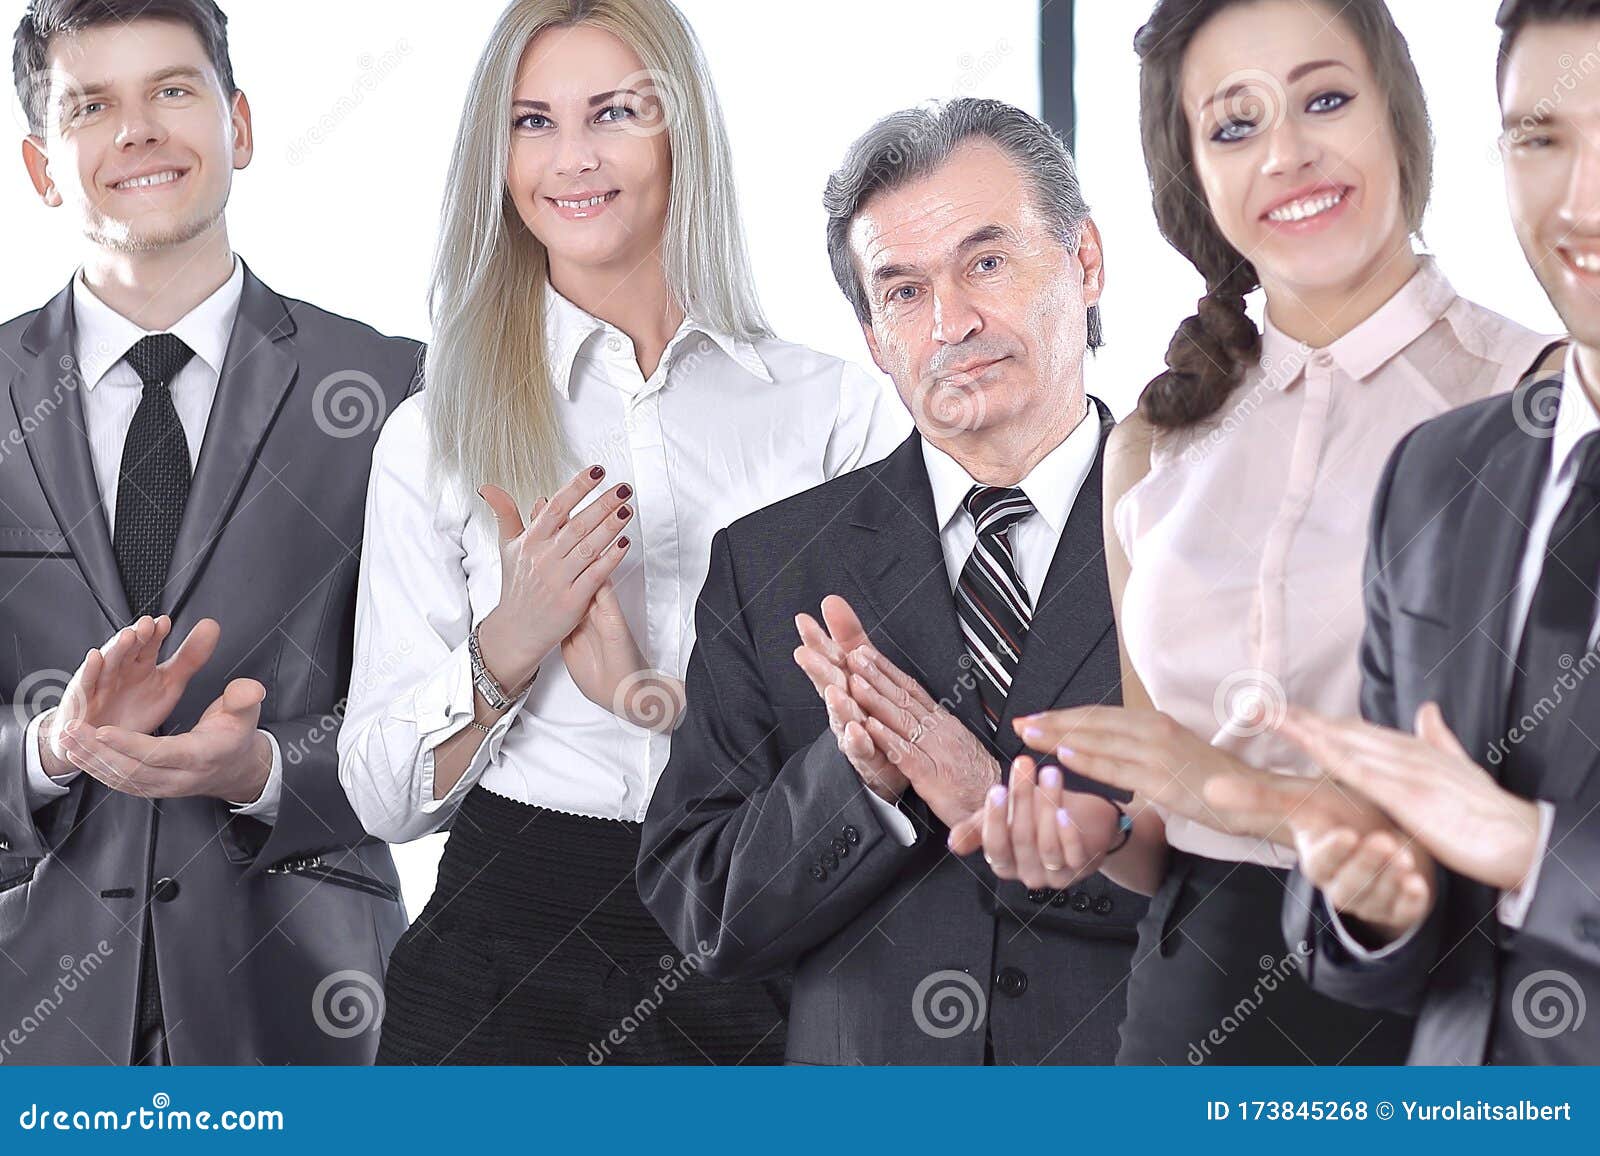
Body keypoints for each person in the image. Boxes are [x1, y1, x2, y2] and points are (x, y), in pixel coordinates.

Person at [955, 0, 1552, 1064]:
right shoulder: (1150, 444)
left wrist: (1247, 796)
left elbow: (1553, 812)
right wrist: (1085, 835)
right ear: (1192, 171)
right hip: (1188, 1011)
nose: (1286, 152)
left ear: (1397, 116)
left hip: (1451, 1006)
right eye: (1233, 126)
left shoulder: (1536, 399)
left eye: (1325, 98)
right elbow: (1163, 812)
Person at [336, 0, 908, 1065]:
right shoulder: (435, 432)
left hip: (759, 923)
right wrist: (510, 642)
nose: (572, 158)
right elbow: (378, 795)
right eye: (532, 122)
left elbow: (887, 727)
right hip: (504, 941)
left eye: (611, 112)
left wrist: (653, 699)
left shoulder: (835, 411)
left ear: (681, 128)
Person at [639, 97, 1147, 1065]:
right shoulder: (770, 566)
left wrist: (991, 802)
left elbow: (1278, 894)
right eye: (903, 292)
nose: (951, 321)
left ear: (1084, 262)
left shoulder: (1211, 529)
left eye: (985, 263)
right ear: (873, 336)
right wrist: (857, 785)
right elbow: (701, 911)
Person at [0, 0, 418, 1064]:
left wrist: (266, 766)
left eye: (172, 90)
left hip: (310, 1008)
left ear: (236, 124)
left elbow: (436, 709)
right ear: (43, 167)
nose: (137, 130)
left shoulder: (389, 390)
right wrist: (50, 749)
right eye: (92, 105)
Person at [1261, 0, 1600, 1065]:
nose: (1580, 201)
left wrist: (1532, 851)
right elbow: (1385, 864)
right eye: (1540, 139)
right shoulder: (1438, 472)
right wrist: (1370, 896)